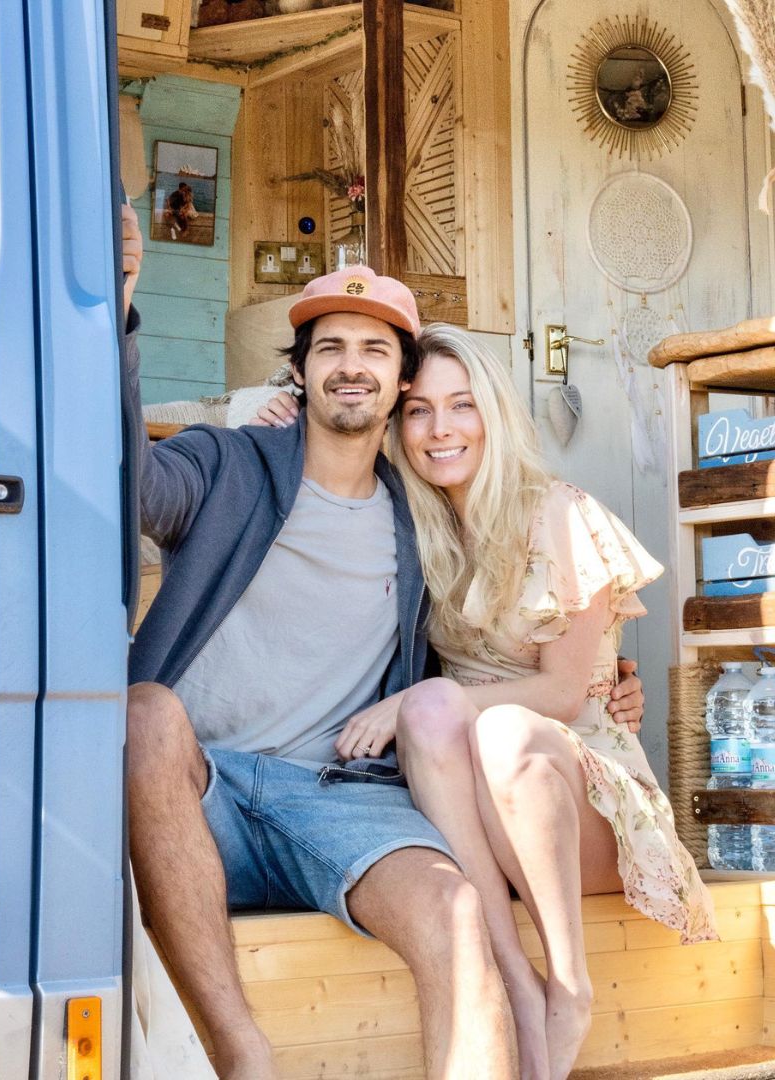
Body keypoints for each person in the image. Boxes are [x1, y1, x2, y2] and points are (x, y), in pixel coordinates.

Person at [117, 203, 646, 1080]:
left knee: (456, 912)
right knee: (142, 716)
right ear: (299, 373)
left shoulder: (424, 522)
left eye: (374, 349)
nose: (351, 365)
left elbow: (496, 646)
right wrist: (119, 317)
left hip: (339, 798)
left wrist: (609, 681)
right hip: (203, 792)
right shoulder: (226, 466)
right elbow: (126, 483)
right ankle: (241, 1053)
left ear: (399, 382)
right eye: (329, 348)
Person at [253, 326, 716, 1080]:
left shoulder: (558, 512)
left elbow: (563, 692)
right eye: (420, 411)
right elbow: (331, 445)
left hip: (580, 800)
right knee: (439, 715)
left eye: (462, 405)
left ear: (493, 413)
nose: (441, 429)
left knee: (486, 726)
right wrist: (282, 420)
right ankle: (514, 981)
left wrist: (417, 698)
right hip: (467, 805)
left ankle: (569, 988)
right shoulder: (413, 523)